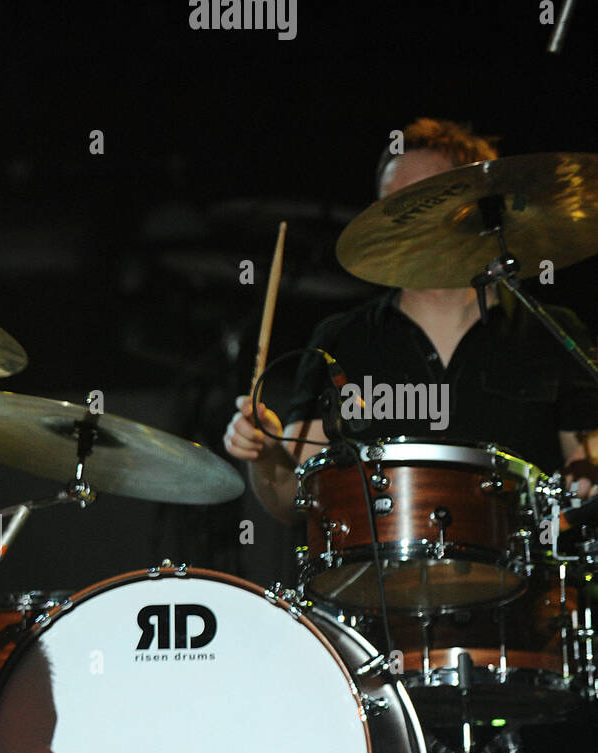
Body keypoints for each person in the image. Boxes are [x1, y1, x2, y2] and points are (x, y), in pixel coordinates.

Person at [224, 117, 598, 520]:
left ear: (481, 210)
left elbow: (585, 471)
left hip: (525, 578)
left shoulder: (550, 331)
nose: (404, 220)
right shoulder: (339, 339)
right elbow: (291, 501)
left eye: (424, 200)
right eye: (391, 205)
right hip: (372, 578)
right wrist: (264, 455)